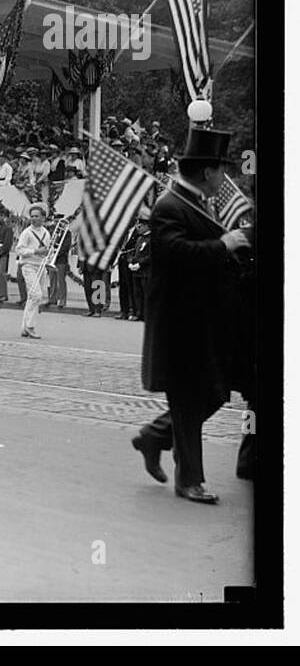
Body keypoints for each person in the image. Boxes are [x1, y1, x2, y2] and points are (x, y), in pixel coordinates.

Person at [131, 126, 250, 504]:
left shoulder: (194, 202)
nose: (223, 178)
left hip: (202, 322)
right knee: (188, 399)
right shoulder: (169, 206)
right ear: (205, 172)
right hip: (179, 325)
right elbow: (175, 254)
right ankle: (189, 480)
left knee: (211, 394)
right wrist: (223, 244)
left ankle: (154, 437)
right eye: (220, 170)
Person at [16, 203, 51, 338]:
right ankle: (30, 326)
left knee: (34, 297)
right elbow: (19, 250)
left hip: (41, 266)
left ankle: (24, 328)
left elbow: (47, 250)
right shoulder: (27, 233)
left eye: (37, 216)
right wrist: (35, 251)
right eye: (32, 216)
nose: (34, 218)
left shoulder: (46, 233)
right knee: (36, 295)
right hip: (28, 265)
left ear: (43, 217)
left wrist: (48, 254)